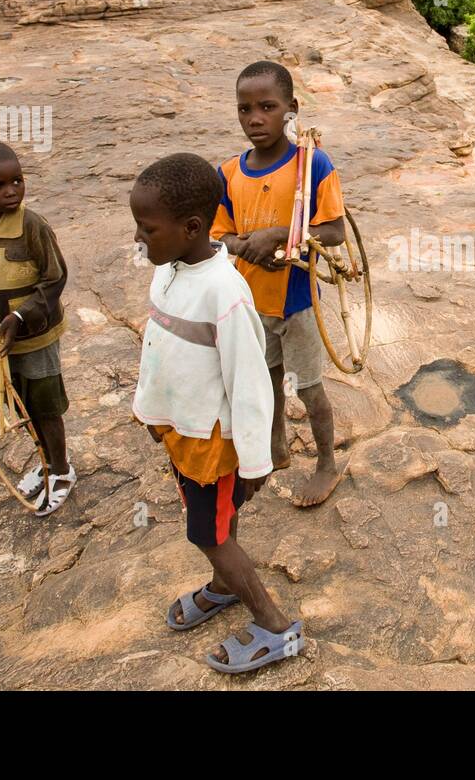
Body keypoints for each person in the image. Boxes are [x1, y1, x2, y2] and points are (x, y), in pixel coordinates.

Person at [131, 152, 304, 673]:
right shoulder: (169, 269)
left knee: (210, 532)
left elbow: (250, 385)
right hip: (180, 431)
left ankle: (276, 627)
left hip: (212, 441)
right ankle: (225, 584)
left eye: (147, 229)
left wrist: (255, 462)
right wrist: (150, 410)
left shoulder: (225, 293)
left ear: (190, 227)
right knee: (210, 517)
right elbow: (161, 346)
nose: (140, 239)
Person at [211, 60, 347, 507]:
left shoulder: (311, 164)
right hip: (249, 300)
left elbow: (333, 231)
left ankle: (327, 463)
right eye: (245, 109)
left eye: (267, 107)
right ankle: (276, 446)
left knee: (307, 386)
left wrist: (279, 237)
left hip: (297, 300)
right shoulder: (229, 172)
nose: (255, 119)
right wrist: (242, 245)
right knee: (264, 378)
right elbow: (219, 234)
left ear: (291, 108)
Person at [0, 142, 74, 515]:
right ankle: (44, 460)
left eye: (18, 181)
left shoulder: (32, 225)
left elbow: (55, 279)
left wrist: (19, 317)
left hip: (35, 338)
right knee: (18, 405)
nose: (11, 191)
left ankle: (61, 470)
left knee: (46, 407)